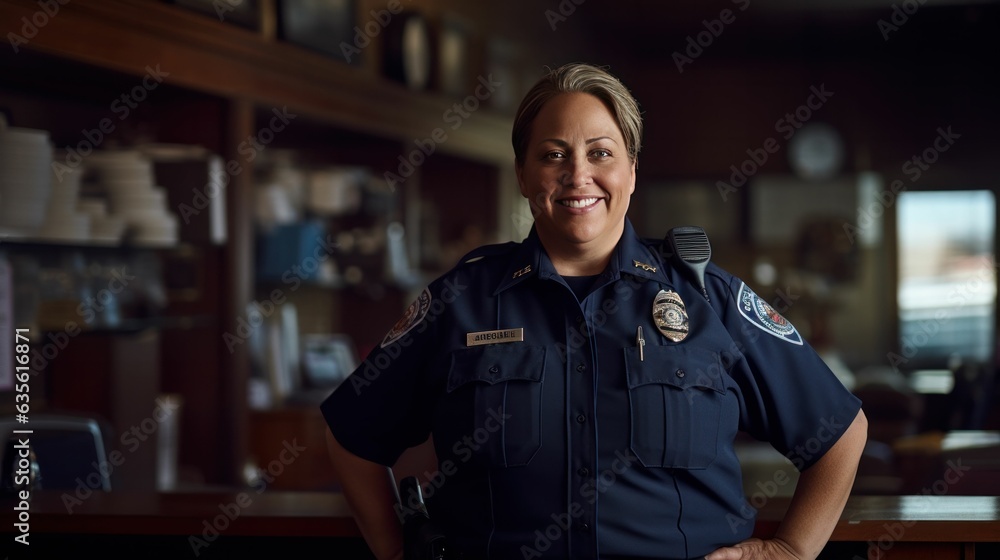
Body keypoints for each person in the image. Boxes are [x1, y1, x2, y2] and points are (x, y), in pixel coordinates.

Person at [320, 62, 868, 560]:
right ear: (522, 174)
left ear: (631, 169)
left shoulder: (710, 299)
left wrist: (793, 549)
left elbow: (840, 432)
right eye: (553, 154)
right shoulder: (458, 302)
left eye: (601, 153)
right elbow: (351, 434)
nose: (577, 175)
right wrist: (395, 555)